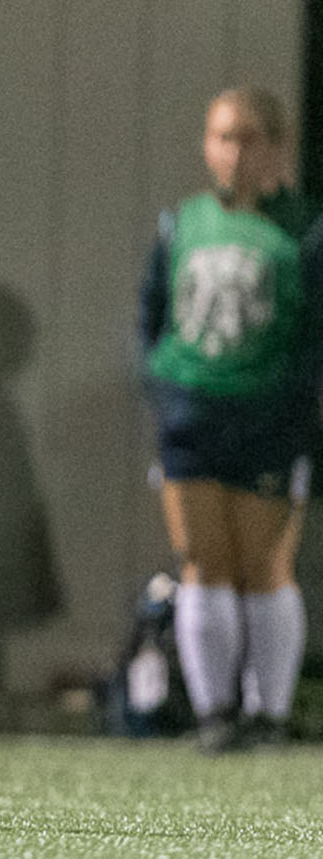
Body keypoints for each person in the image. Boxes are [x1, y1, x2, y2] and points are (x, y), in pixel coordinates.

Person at [138, 87, 320, 754]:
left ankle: (266, 714)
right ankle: (214, 714)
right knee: (202, 559)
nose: (234, 152)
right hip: (194, 410)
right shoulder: (180, 223)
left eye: (248, 138)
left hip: (270, 414)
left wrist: (296, 402)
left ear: (276, 147)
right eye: (222, 137)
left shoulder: (305, 227)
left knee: (265, 563)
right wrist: (162, 385)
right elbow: (151, 316)